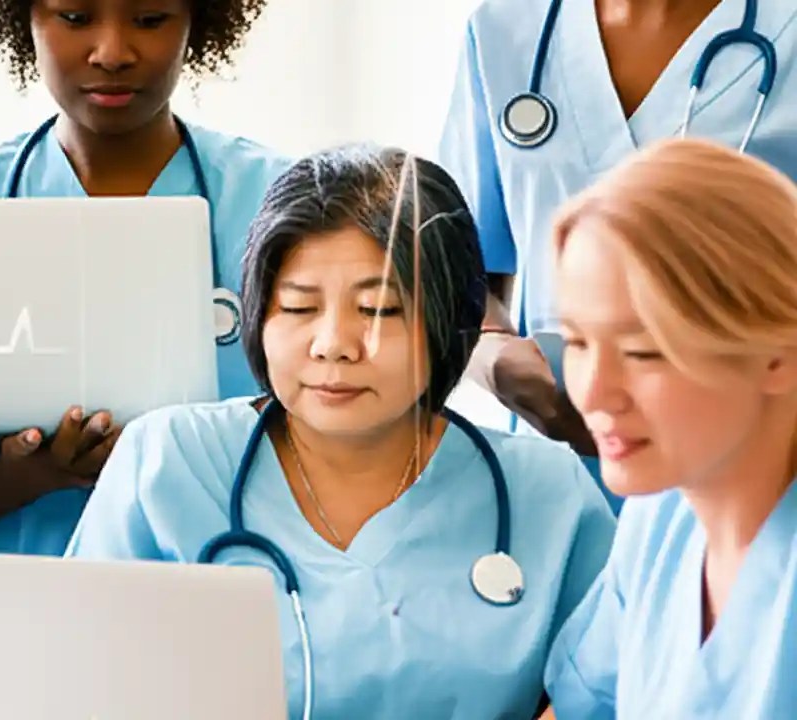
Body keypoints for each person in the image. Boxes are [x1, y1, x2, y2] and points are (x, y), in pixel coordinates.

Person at [66, 146, 617, 720]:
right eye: (299, 308)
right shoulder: (166, 463)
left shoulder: (546, 492)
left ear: (450, 321)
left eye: (379, 311)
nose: (334, 344)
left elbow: (605, 695)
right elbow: (73, 682)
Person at [0, 0, 293, 557]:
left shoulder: (276, 202)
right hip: (9, 611)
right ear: (25, 20)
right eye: (75, 17)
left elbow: (334, 449)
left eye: (150, 19)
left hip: (211, 592)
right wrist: (22, 478)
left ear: (197, 23)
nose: (112, 53)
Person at [437, 0, 797, 515]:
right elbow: (458, 275)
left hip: (747, 466)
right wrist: (498, 363)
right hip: (562, 481)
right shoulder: (506, 30)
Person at [542, 138, 797, 718]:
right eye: (577, 343)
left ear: (779, 355)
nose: (593, 391)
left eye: (644, 351)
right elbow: (584, 708)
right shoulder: (661, 519)